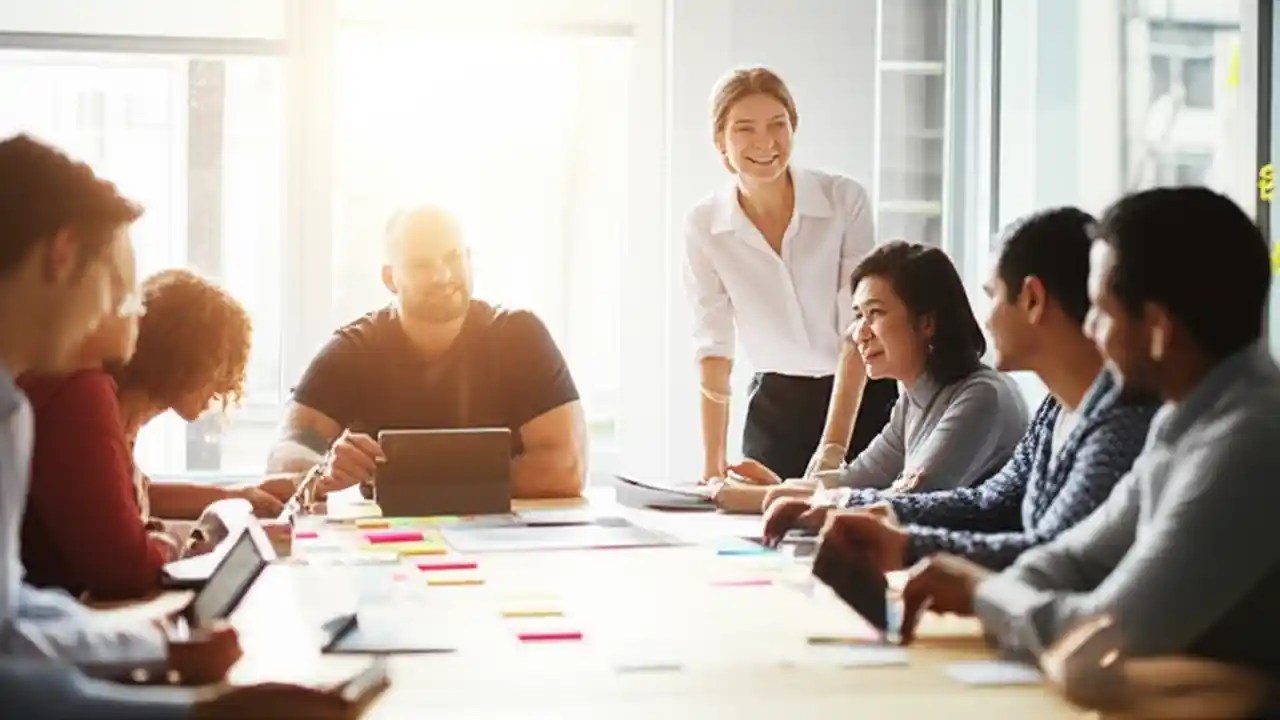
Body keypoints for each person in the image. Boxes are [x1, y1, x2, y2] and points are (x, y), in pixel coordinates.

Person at [890, 187, 1280, 672]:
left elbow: (1109, 631)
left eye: (1100, 311)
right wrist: (992, 590)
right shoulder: (1184, 419)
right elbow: (1074, 557)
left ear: (1158, 328)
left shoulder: (1248, 444)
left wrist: (981, 593)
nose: (1089, 329)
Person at [787, 208, 1157, 570]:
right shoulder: (1055, 409)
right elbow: (988, 504)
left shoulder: (1122, 421)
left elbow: (1058, 557)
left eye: (992, 295)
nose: (985, 315)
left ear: (1032, 299)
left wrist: (905, 544)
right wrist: (862, 507)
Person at [0, 133, 238, 683]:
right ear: (63, 255)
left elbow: (15, 612)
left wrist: (152, 645)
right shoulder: (48, 400)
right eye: (115, 287)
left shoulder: (13, 404)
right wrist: (202, 713)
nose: (113, 314)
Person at [266, 205, 587, 499]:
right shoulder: (355, 350)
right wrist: (323, 470)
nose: (443, 276)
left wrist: (412, 476)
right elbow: (287, 454)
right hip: (394, 545)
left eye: (452, 258)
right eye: (422, 265)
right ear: (390, 278)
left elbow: (567, 469)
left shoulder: (520, 336)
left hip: (508, 541)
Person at [683, 66, 898, 492]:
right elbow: (714, 344)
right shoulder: (704, 224)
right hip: (775, 408)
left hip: (861, 397)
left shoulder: (843, 200)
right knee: (759, 531)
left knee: (854, 528)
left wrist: (833, 447)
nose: (764, 142)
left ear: (793, 128)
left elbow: (857, 330)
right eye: (744, 128)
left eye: (777, 125)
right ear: (720, 142)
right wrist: (712, 467)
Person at [723, 240, 1028, 514]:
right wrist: (776, 489)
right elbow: (854, 481)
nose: (860, 333)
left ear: (927, 323)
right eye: (858, 315)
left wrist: (767, 497)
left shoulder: (982, 396)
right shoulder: (912, 398)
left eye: (876, 313)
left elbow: (909, 501)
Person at [107, 269, 293, 521]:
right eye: (221, 367)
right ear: (182, 355)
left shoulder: (127, 415)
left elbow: (138, 497)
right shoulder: (107, 416)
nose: (224, 387)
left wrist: (241, 494)